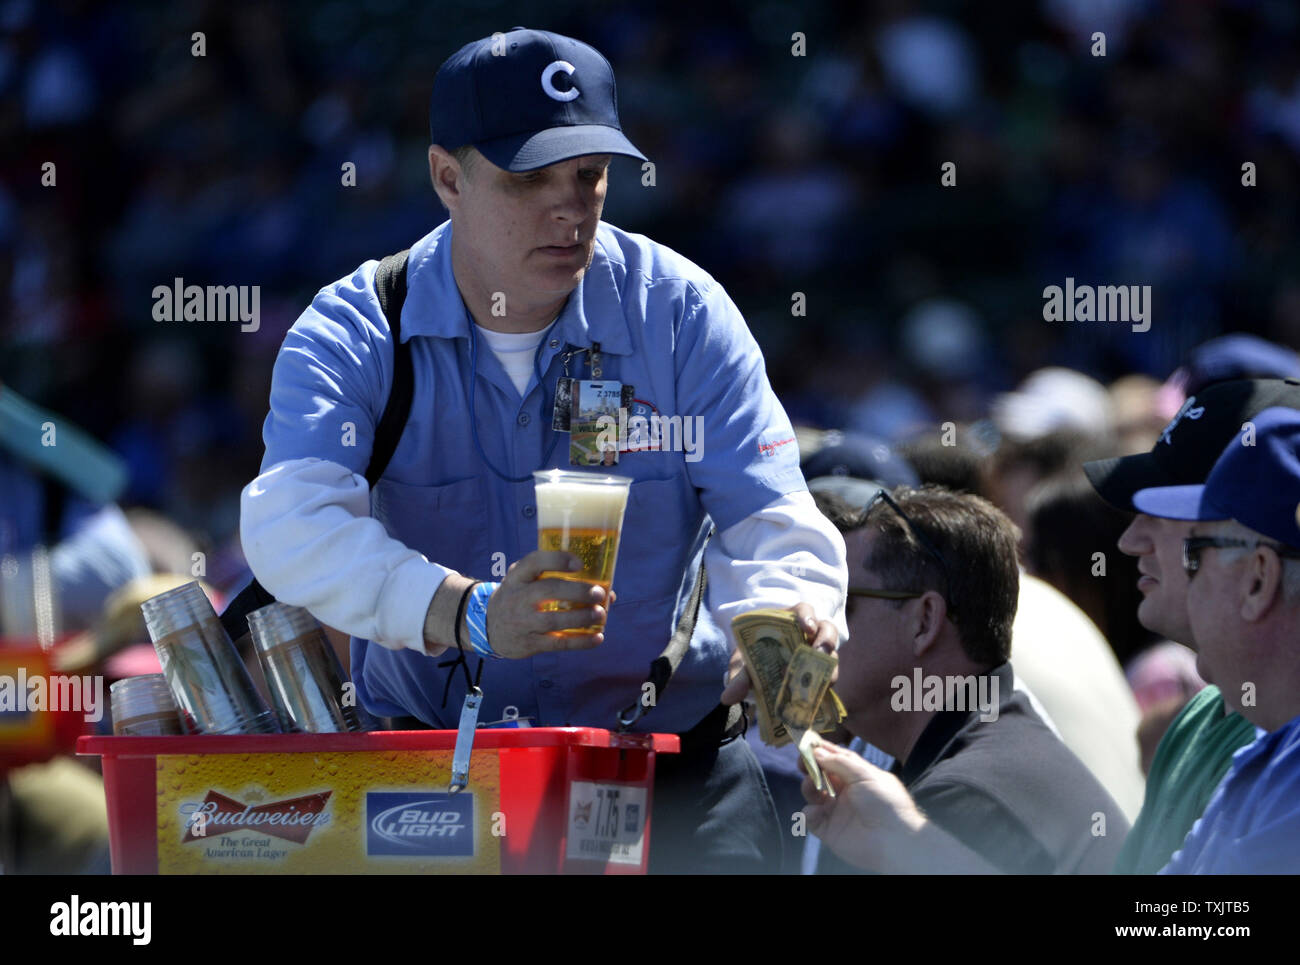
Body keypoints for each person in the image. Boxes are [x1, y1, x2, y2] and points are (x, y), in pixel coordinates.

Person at [239, 27, 847, 874]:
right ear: (447, 177)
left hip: (672, 770)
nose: (570, 208)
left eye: (589, 176)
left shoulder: (680, 311)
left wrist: (790, 610)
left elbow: (772, 516)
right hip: (437, 780)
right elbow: (288, 525)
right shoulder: (355, 327)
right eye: (529, 179)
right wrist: (469, 610)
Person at [810, 485, 1127, 873]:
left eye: (841, 604)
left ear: (924, 621)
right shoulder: (992, 742)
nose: (818, 627)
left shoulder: (960, 798)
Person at [1086, 377, 1296, 873]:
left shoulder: (1275, 746)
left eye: (1195, 547)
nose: (1129, 541)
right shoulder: (1265, 748)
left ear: (1258, 577)